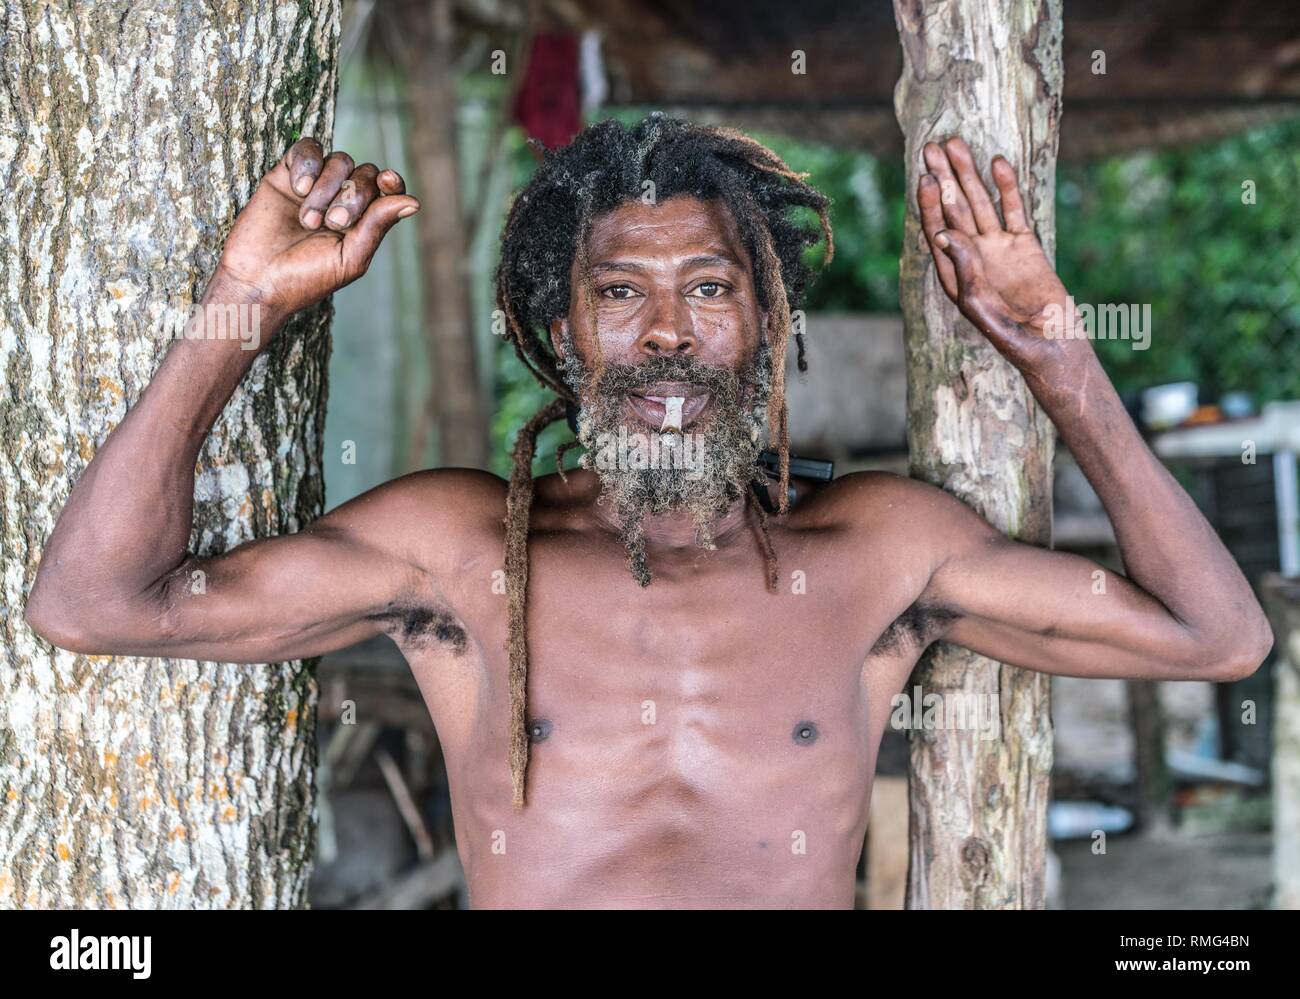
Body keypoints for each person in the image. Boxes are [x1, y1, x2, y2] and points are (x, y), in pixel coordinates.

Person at [26, 115, 1272, 909]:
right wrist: (241, 301)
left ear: (765, 323)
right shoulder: (457, 550)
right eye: (619, 293)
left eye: (710, 290)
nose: (667, 336)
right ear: (563, 332)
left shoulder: (880, 550)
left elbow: (1215, 639)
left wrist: (1056, 355)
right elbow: (93, 605)